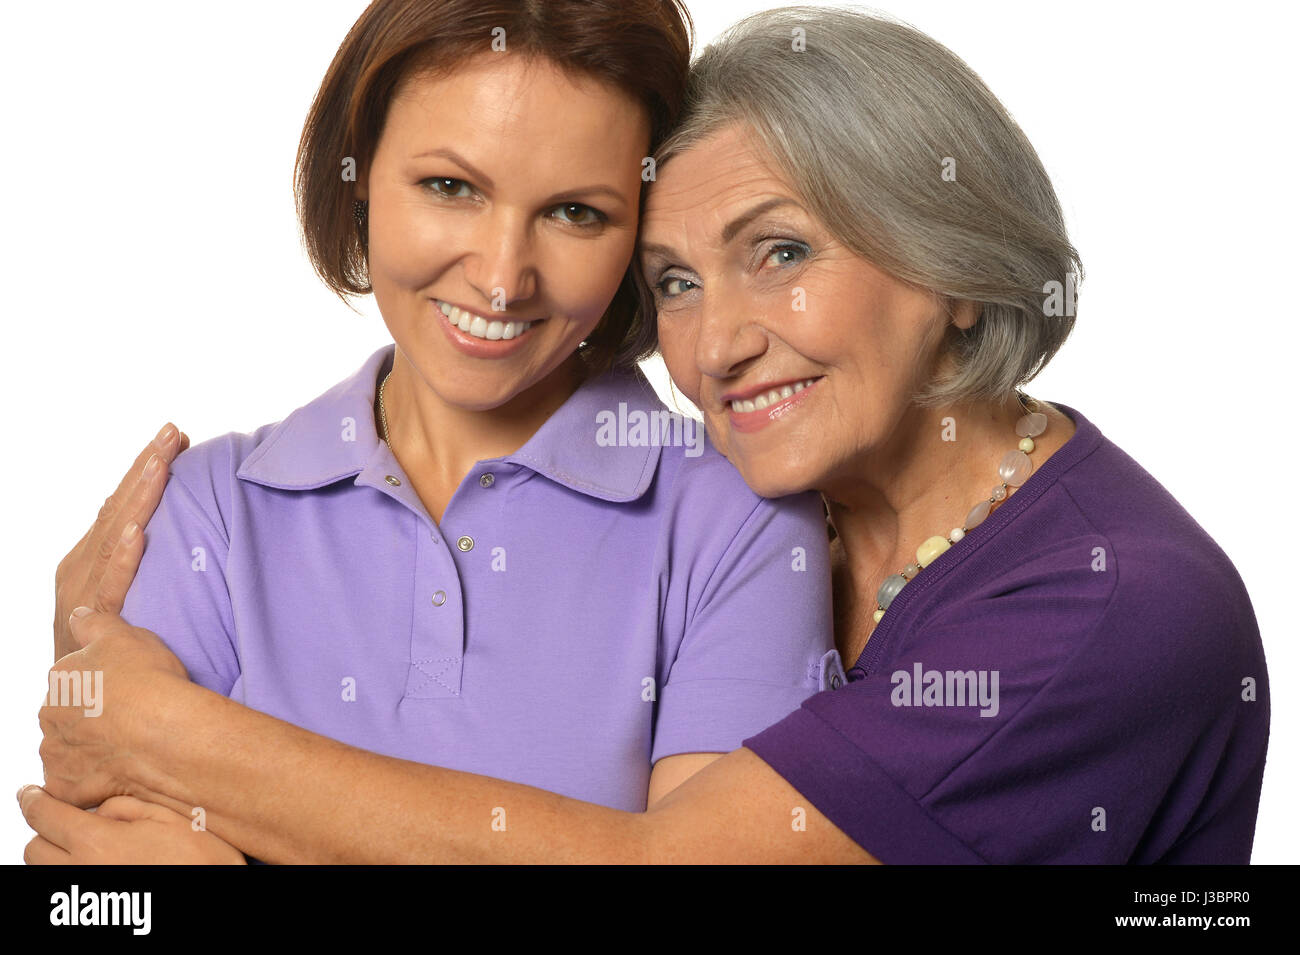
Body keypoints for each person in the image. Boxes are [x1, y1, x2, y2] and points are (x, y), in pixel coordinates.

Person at [26, 6, 1268, 864]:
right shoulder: (798, 505)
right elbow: (91, 881)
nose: (715, 343)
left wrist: (169, 732)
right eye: (674, 281)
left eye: (780, 252)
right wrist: (89, 654)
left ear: (955, 269)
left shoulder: (1106, 605)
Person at [26, 0, 844, 858]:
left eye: (576, 213)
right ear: (359, 179)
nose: (501, 279)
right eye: (451, 188)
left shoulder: (744, 525)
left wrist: (201, 762)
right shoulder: (210, 513)